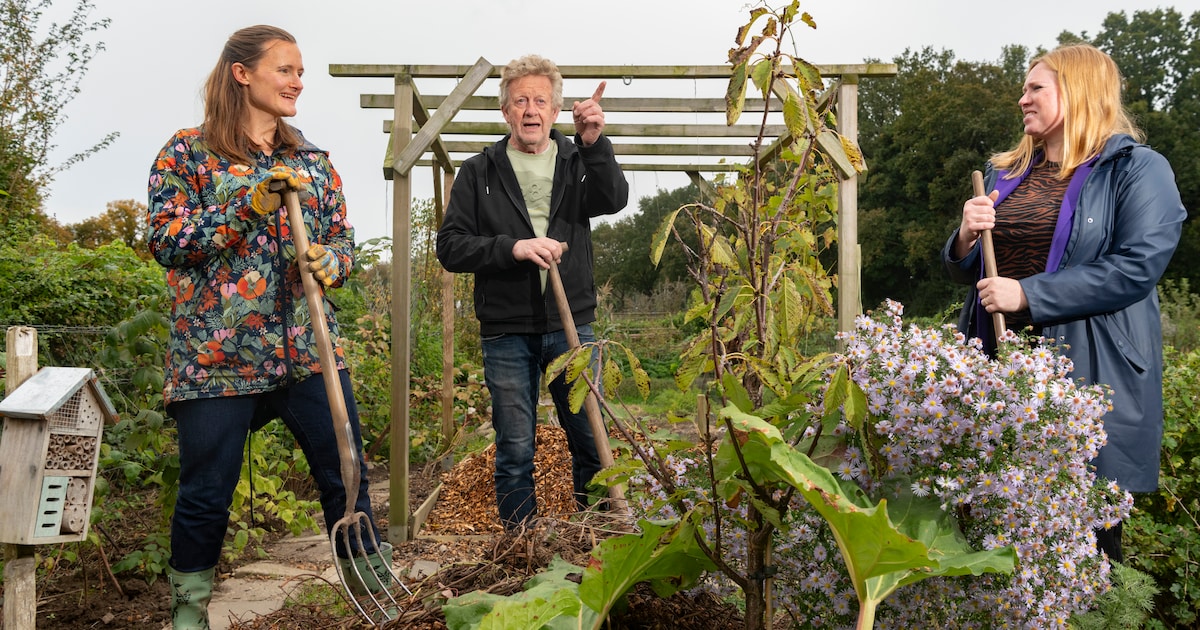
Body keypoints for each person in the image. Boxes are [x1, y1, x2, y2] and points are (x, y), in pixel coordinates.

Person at [147, 25, 390, 628]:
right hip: (216, 358)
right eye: (285, 69)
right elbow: (168, 240)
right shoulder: (187, 153)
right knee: (206, 496)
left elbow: (342, 240)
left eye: (300, 72)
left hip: (309, 352)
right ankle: (189, 613)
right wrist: (249, 203)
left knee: (347, 479)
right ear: (242, 73)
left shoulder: (311, 160)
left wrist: (331, 261)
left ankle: (377, 596)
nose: (297, 82)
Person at [942, 43, 1185, 563]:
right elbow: (969, 268)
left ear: (1077, 91)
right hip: (994, 369)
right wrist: (964, 237)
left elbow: (1136, 267)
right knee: (989, 537)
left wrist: (1028, 293)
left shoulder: (1137, 170)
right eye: (1024, 88)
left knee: (1079, 546)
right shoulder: (1007, 171)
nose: (1022, 98)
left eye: (1036, 88)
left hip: (1087, 372)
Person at [436, 54, 629, 530]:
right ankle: (522, 548)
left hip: (572, 327)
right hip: (506, 330)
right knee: (516, 448)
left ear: (555, 110)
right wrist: (512, 248)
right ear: (506, 110)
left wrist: (594, 143)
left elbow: (614, 199)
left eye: (540, 100)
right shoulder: (479, 172)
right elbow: (451, 246)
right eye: (520, 99)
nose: (530, 109)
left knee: (589, 437)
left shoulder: (575, 160)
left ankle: (595, 540)